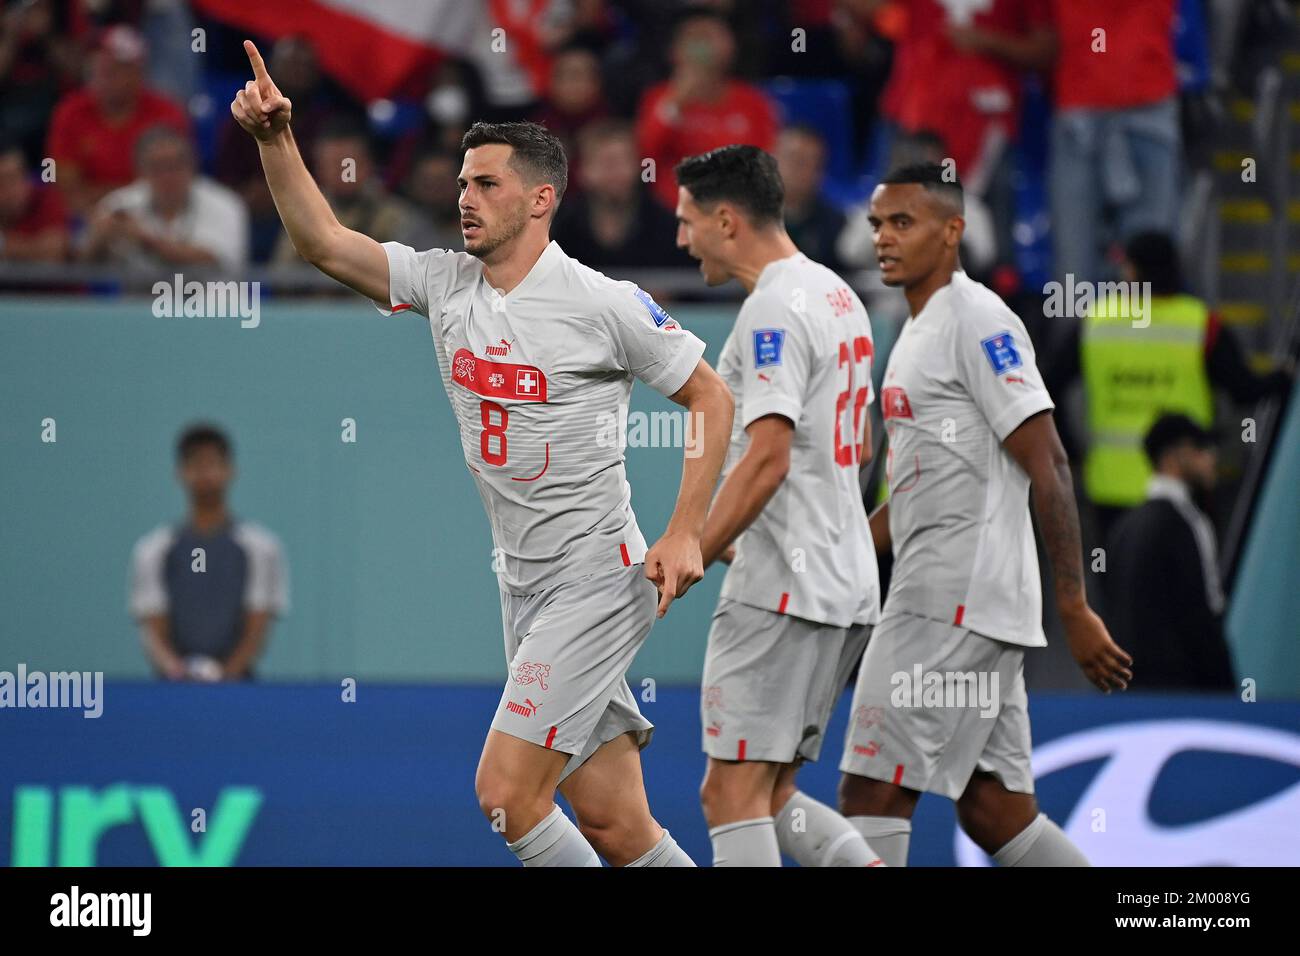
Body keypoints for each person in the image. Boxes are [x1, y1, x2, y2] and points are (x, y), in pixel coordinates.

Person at [230, 41, 733, 868]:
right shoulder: (443, 282)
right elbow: (322, 241)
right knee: (614, 823)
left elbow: (711, 397)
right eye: (462, 182)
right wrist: (275, 139)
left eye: (485, 184)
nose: (464, 197)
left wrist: (686, 532)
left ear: (541, 199)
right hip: (524, 583)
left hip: (597, 578)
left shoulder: (602, 304)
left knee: (505, 793)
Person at [837, 163, 1133, 867]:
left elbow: (1050, 461)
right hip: (960, 599)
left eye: (903, 223)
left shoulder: (977, 319)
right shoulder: (916, 329)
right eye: (878, 223)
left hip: (951, 602)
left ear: (954, 231)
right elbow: (914, 491)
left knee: (870, 795)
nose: (884, 238)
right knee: (996, 812)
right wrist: (840, 550)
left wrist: (1075, 605)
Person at [675, 144, 883, 867]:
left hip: (784, 592)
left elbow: (769, 456)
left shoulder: (772, 311)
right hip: (845, 582)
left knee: (729, 797)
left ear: (726, 220)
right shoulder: (838, 295)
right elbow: (846, 453)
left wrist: (690, 550)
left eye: (687, 220)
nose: (680, 238)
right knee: (770, 796)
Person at [1045, 230, 1294, 537]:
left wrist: (1070, 449)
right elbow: (1245, 390)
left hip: (1111, 490)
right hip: (1184, 487)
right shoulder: (1201, 323)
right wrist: (1285, 376)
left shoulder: (1095, 322)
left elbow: (1046, 389)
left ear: (1133, 271)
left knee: (1120, 579)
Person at [130, 424, 288, 682]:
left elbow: (257, 626)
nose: (205, 474)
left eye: (213, 464)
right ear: (180, 473)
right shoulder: (152, 550)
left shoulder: (262, 548)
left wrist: (224, 677)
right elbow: (152, 627)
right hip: (171, 689)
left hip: (238, 689)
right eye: (195, 464)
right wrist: (179, 673)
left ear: (230, 471)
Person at [1104, 414, 1235, 691]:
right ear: (1177, 457)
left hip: (1130, 691)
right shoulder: (1189, 522)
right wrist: (1226, 692)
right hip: (1180, 691)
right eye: (1202, 449)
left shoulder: (1124, 527)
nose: (1212, 458)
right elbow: (1202, 617)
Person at [637, 10, 777, 210]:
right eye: (694, 38)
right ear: (674, 50)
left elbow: (763, 162)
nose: (703, 47)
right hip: (672, 214)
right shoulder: (658, 98)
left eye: (710, 37)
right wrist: (675, 105)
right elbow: (646, 159)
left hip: (736, 213)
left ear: (731, 46)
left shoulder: (753, 101)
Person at [44, 23, 188, 216]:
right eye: (98, 66)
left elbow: (171, 183)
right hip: (89, 217)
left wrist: (108, 194)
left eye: (115, 69)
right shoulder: (70, 112)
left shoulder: (167, 112)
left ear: (138, 72)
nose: (104, 76)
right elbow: (67, 190)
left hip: (157, 215)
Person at [81, 124, 248, 271]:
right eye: (157, 167)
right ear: (140, 171)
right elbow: (81, 265)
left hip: (210, 302)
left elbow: (210, 260)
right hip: (138, 303)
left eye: (175, 166)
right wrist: (98, 241)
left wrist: (147, 241)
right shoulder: (118, 204)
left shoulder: (226, 204)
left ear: (192, 165)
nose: (167, 176)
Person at [270, 119, 421, 265]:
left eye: (348, 164)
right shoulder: (302, 215)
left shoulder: (397, 218)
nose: (342, 173)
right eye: (333, 165)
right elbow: (283, 275)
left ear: (368, 165)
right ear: (319, 169)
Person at [551, 119, 690, 270]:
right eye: (606, 163)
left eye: (624, 162)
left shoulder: (668, 228)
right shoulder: (559, 227)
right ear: (583, 171)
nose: (616, 174)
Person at [774, 125, 848, 273]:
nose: (797, 170)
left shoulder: (835, 225)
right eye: (793, 159)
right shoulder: (747, 218)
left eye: (808, 163)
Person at [0, 139, 68, 262]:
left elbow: (54, 251)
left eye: (12, 178)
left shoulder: (46, 196)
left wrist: (6, 246)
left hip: (47, 282)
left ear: (27, 178)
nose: (7, 190)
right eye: (1, 182)